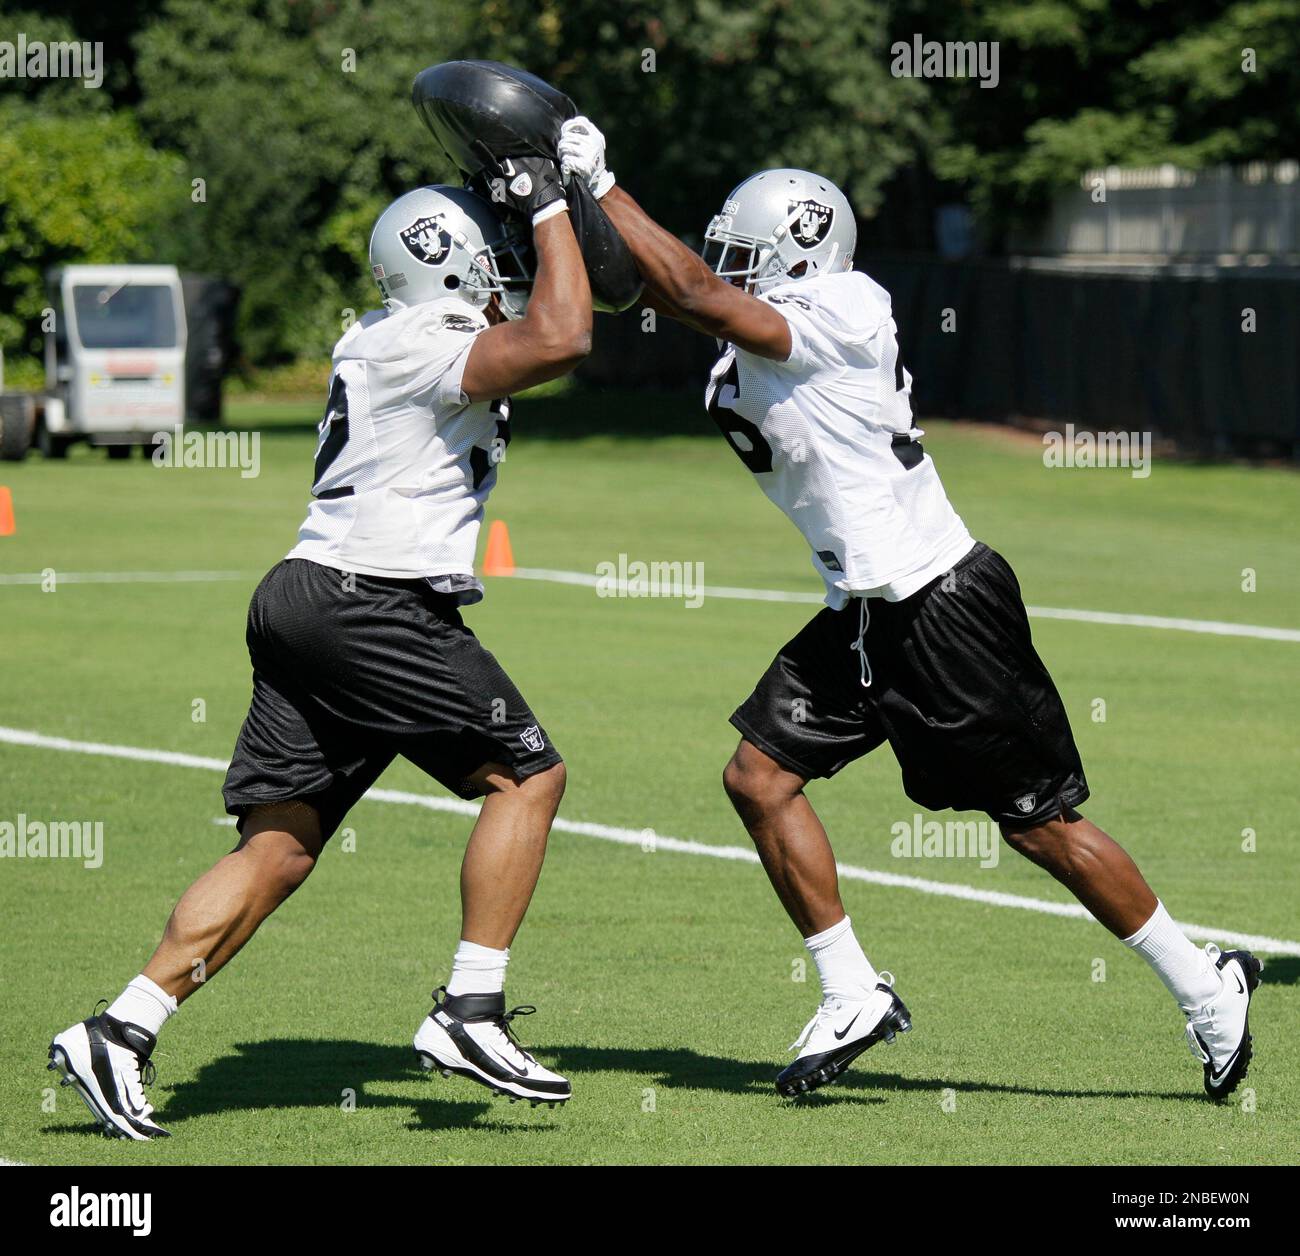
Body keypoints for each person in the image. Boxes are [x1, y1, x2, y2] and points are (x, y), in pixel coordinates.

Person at [558, 118, 1261, 1100]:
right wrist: (566, 203)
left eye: (753, 257)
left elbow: (688, 289)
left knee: (1040, 826)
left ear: (805, 256)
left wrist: (603, 184)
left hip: (939, 603)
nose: (733, 270)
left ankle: (1205, 984)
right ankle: (851, 987)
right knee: (758, 777)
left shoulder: (845, 305)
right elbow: (663, 286)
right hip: (860, 609)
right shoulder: (744, 326)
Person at [48, 157, 588, 1138]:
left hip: (312, 599)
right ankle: (470, 1006)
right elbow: (565, 333)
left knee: (281, 845)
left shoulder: (385, 330)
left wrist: (568, 199)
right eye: (492, 250)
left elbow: (586, 299)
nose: (507, 266)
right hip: (370, 602)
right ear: (449, 263)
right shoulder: (433, 333)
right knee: (528, 776)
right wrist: (550, 203)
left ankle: (120, 1029)